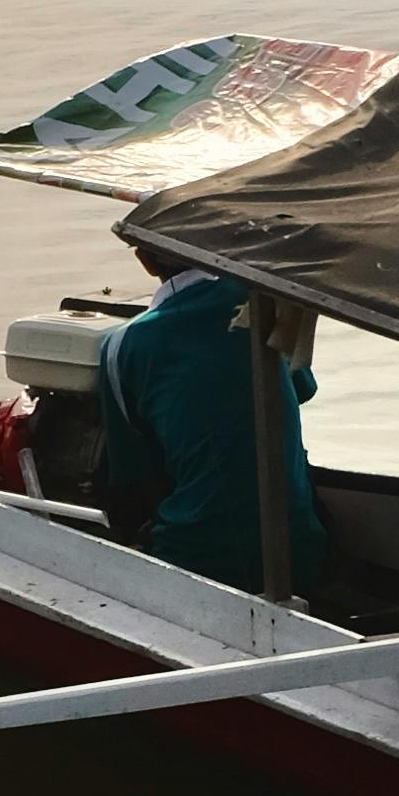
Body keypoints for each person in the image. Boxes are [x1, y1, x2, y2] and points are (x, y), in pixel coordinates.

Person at [96, 248, 326, 594]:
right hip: (301, 554)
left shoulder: (124, 345)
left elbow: (131, 476)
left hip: (197, 559)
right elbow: (302, 388)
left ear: (145, 260)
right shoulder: (261, 301)